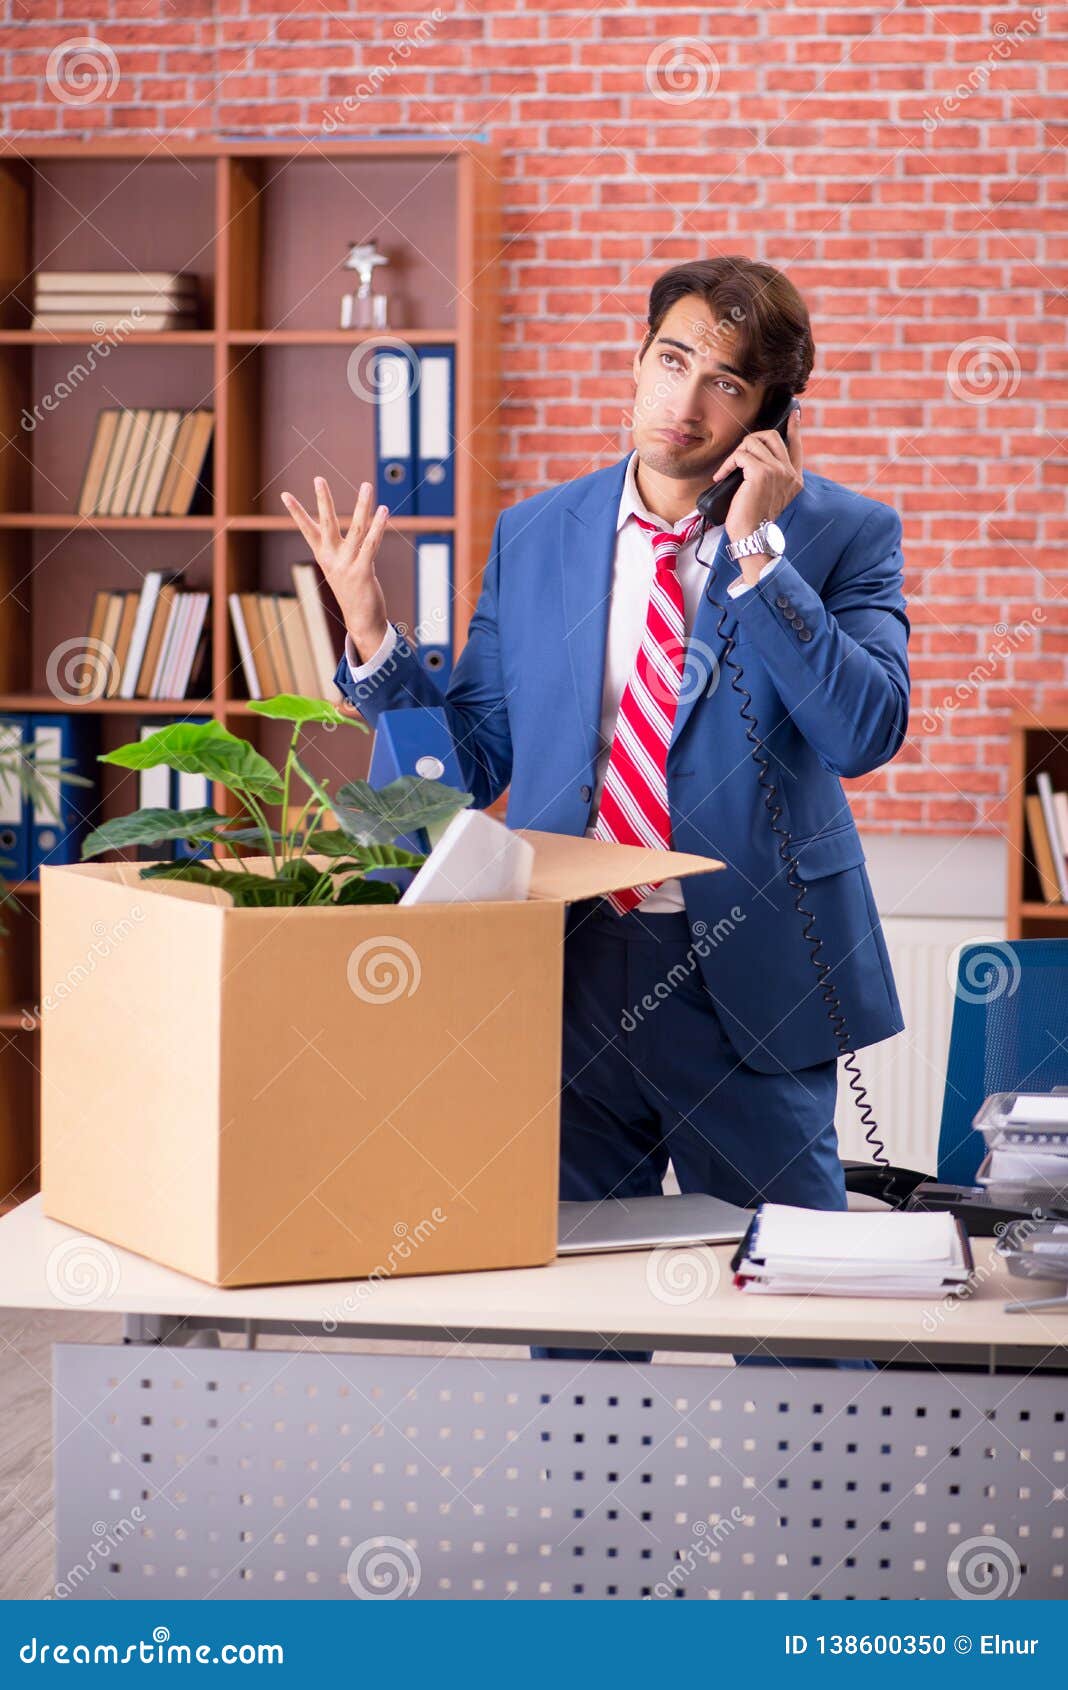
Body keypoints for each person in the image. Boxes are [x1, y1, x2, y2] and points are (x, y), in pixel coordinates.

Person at [282, 254, 910, 1367]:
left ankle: (828, 1540)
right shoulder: (540, 535)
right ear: (636, 361)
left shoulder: (838, 536)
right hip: (567, 978)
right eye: (672, 361)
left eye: (726, 381)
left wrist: (760, 555)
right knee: (579, 1330)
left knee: (803, 1326)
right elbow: (465, 768)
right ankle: (595, 1537)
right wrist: (376, 640)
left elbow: (866, 731)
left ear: (769, 410)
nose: (686, 402)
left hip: (747, 981)